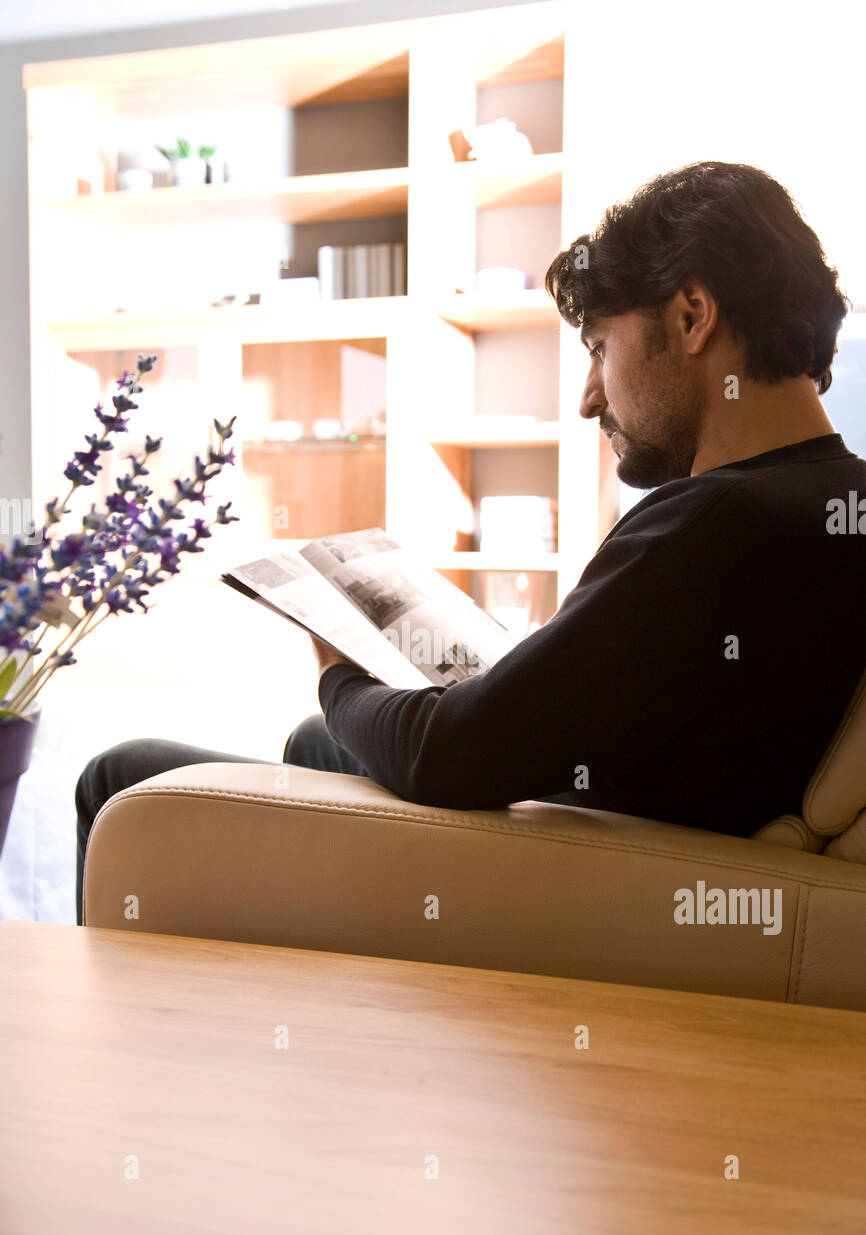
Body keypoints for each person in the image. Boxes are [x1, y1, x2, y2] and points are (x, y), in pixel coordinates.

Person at [76, 160, 866, 925]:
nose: (592, 396)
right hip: (634, 829)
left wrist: (337, 667)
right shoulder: (836, 500)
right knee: (320, 746)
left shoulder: (714, 522)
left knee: (118, 774)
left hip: (562, 874)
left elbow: (448, 755)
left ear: (693, 316)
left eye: (598, 346)